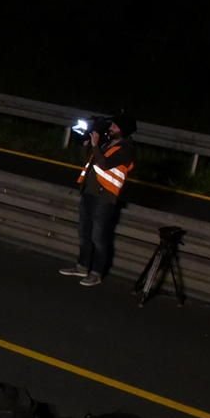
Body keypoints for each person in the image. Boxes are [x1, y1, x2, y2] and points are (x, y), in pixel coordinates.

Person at [59, 113, 136, 288]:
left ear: (124, 131)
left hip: (105, 197)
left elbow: (104, 164)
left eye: (115, 126)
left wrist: (95, 145)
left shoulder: (127, 149)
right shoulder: (107, 142)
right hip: (89, 192)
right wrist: (87, 144)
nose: (111, 128)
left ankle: (97, 273)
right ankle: (82, 266)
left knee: (98, 237)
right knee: (84, 232)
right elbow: (89, 159)